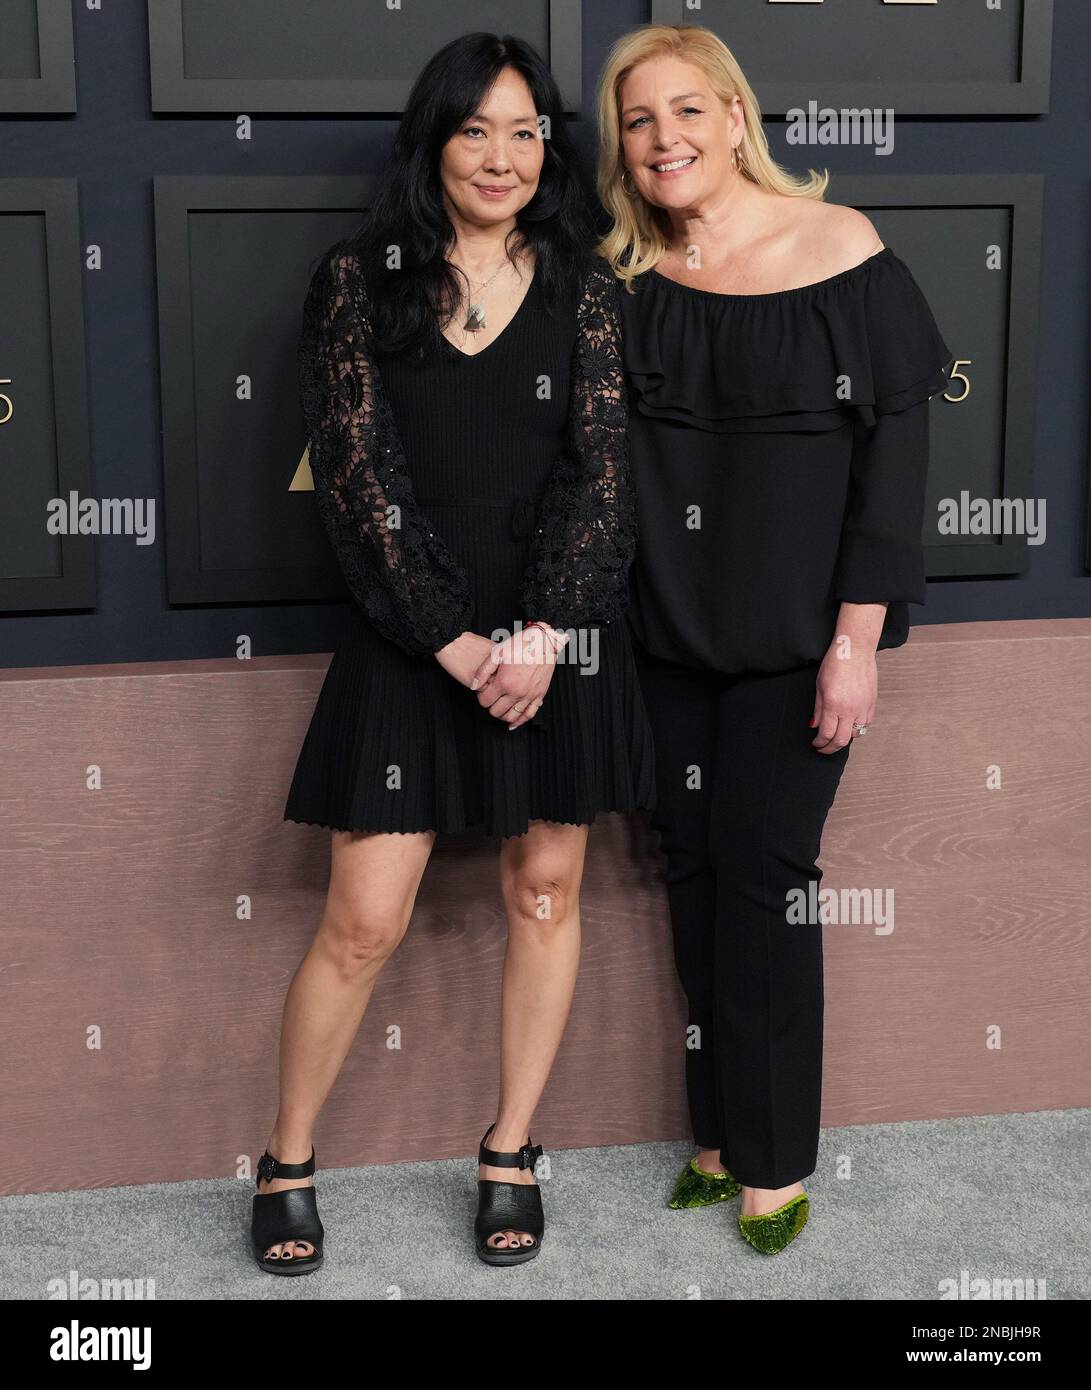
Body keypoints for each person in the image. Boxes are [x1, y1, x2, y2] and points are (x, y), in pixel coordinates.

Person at [256, 32, 655, 1274]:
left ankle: (510, 1149)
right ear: (433, 143)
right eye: (476, 129)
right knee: (364, 922)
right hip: (407, 635)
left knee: (544, 891)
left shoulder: (587, 286)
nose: (503, 155)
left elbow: (601, 482)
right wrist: (451, 638)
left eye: (527, 129)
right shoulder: (357, 277)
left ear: (552, 147)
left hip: (556, 635)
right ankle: (286, 1162)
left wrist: (539, 634)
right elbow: (359, 488)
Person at [594, 23, 952, 1253]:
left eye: (686, 111)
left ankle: (776, 1159)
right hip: (661, 635)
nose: (664, 140)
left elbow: (893, 464)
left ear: (736, 117)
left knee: (765, 883)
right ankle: (715, 1132)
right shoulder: (625, 281)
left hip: (801, 642)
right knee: (687, 876)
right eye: (638, 122)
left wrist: (855, 642)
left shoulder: (841, 250)